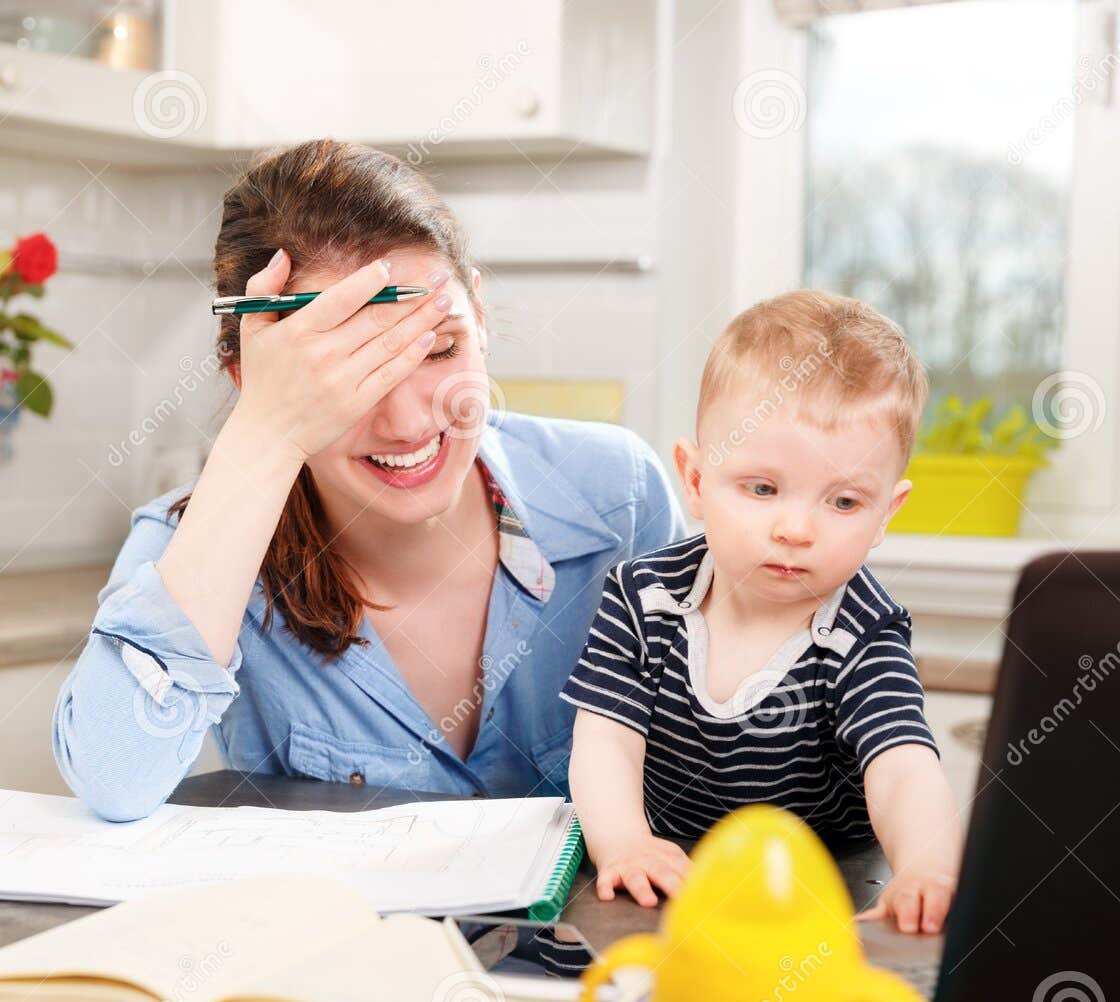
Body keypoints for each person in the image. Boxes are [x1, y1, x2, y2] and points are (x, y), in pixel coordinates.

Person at [53, 139, 685, 821]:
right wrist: (263, 436)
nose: (408, 419)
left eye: (439, 348)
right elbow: (114, 779)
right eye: (346, 375)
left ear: (478, 312)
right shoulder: (189, 547)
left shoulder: (620, 496)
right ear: (254, 384)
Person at [562, 289, 963, 933]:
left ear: (888, 512)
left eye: (843, 502)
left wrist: (926, 867)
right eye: (763, 488)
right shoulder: (642, 596)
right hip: (667, 869)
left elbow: (902, 767)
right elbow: (606, 739)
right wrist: (624, 841)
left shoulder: (864, 631)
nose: (796, 527)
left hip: (820, 888)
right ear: (695, 482)